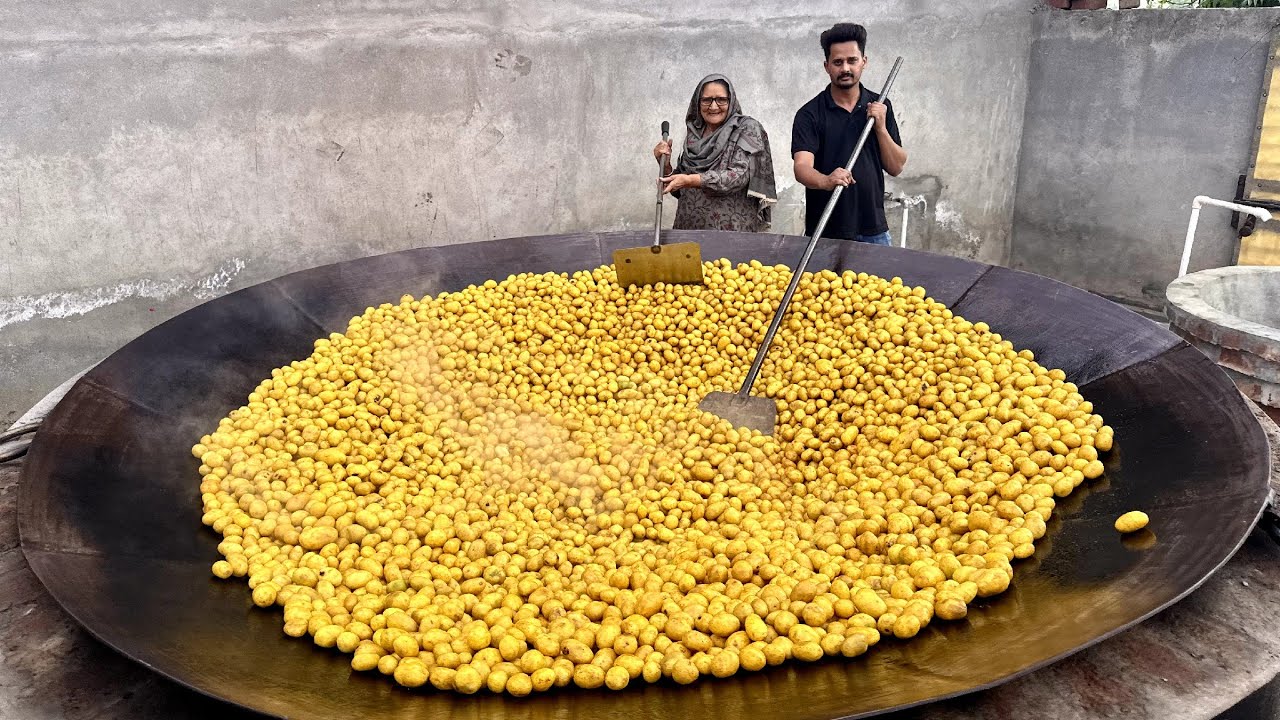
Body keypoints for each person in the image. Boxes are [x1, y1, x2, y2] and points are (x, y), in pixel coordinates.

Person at [791, 23, 907, 245]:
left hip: (874, 230)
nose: (845, 68)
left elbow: (896, 167)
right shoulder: (809, 114)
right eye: (838, 62)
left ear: (864, 61)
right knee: (819, 282)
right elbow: (802, 167)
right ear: (827, 66)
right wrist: (826, 181)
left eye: (852, 60)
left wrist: (880, 127)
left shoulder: (881, 106)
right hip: (825, 231)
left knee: (881, 281)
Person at [652, 74, 777, 232]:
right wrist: (666, 165)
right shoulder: (694, 136)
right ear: (697, 103)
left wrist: (691, 180)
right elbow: (682, 191)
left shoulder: (746, 129)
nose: (713, 106)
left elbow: (738, 176)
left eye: (721, 99)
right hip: (688, 230)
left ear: (731, 101)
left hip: (730, 232)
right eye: (706, 100)